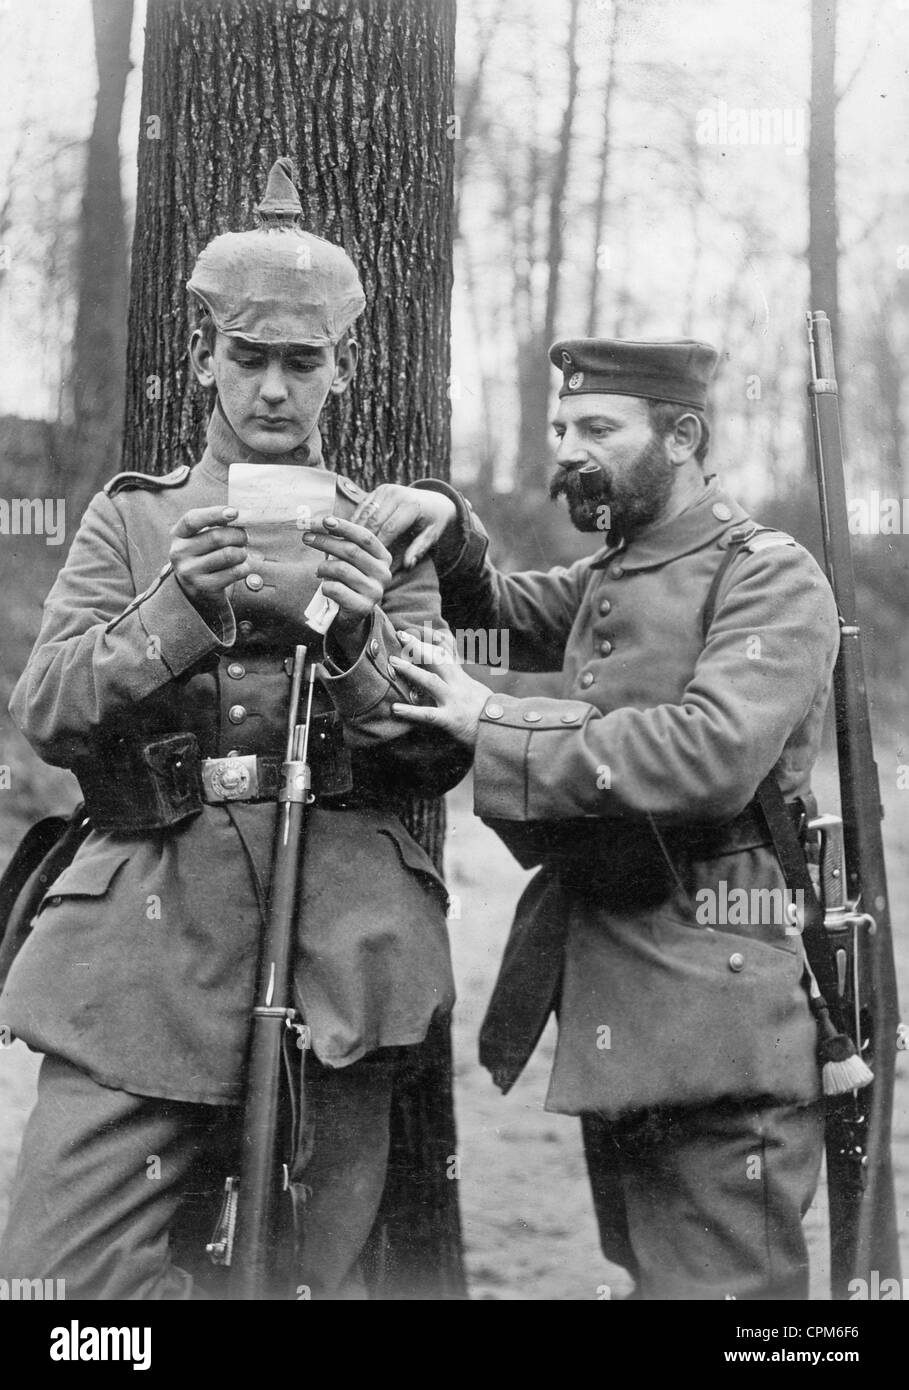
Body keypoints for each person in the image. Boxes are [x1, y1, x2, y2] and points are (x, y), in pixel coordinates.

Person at [0, 158, 467, 1300]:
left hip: (337, 950)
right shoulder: (134, 517)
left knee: (310, 1276)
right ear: (206, 357)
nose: (270, 390)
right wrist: (174, 611)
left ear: (340, 371)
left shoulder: (384, 534)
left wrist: (358, 637)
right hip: (143, 957)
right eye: (248, 359)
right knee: (57, 1288)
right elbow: (48, 707)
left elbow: (439, 751)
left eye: (300, 363)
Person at [356, 337, 842, 1300]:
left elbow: (708, 753)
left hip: (718, 1005)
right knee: (651, 1273)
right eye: (559, 429)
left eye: (597, 429)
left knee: (727, 1295)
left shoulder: (765, 574)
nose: (568, 451)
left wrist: (490, 719)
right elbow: (495, 607)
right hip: (619, 998)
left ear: (683, 435)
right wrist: (445, 521)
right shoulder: (616, 574)